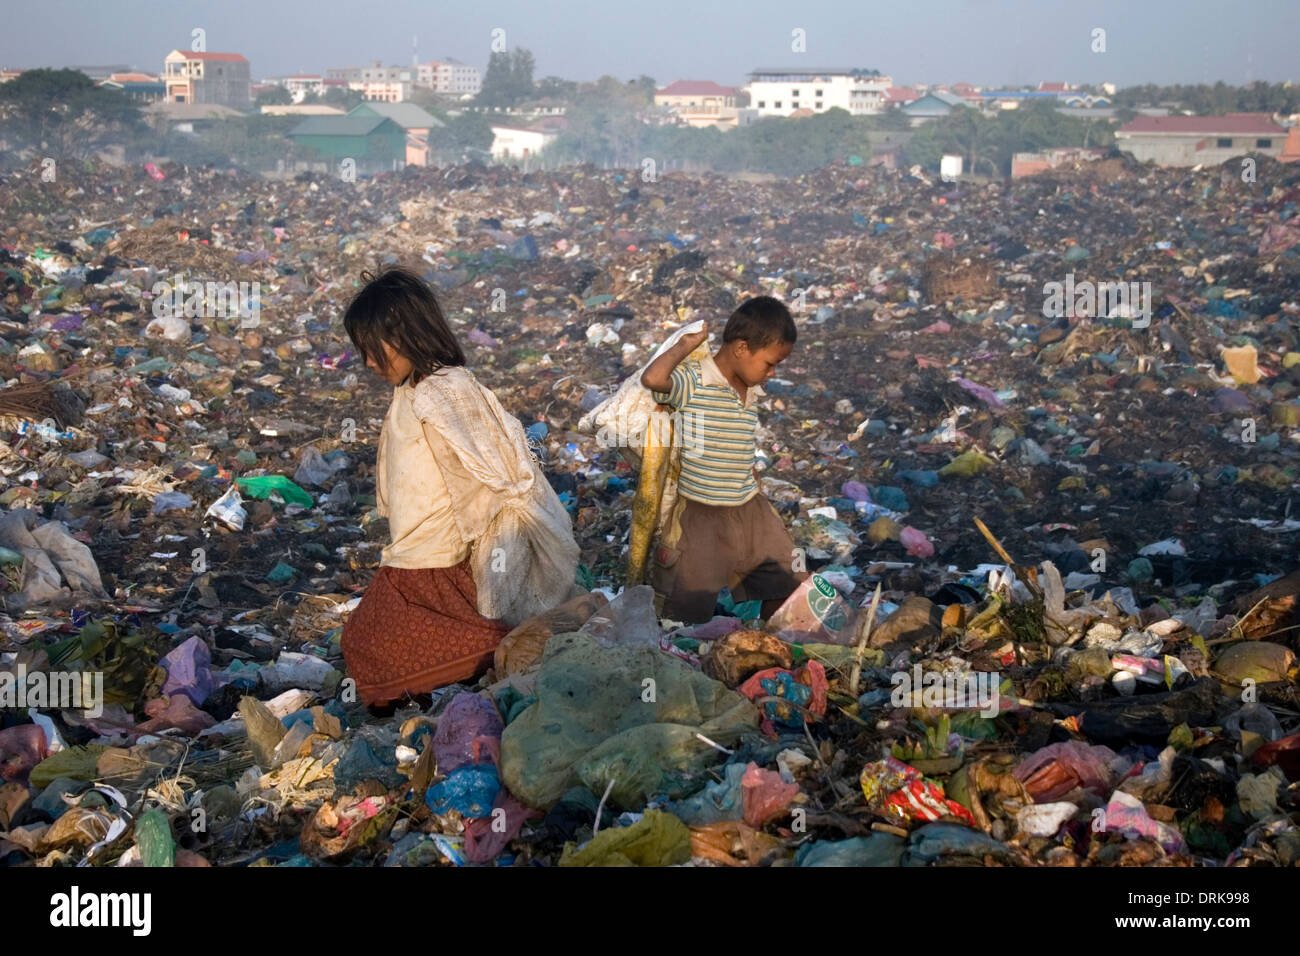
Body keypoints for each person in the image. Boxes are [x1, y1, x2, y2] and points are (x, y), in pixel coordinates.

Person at [339, 267, 579, 709]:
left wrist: (504, 536)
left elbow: (498, 465)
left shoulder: (445, 390)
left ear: (406, 333)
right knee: (366, 643)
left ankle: (524, 646)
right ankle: (506, 651)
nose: (369, 362)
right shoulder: (414, 390)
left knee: (371, 645)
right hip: (418, 552)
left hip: (442, 556)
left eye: (374, 349)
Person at [639, 295, 808, 623]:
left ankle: (774, 642)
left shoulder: (750, 388)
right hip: (701, 514)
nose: (771, 373)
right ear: (741, 348)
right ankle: (689, 657)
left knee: (788, 582)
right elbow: (653, 379)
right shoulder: (695, 380)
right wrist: (685, 345)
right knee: (686, 609)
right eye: (769, 363)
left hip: (750, 508)